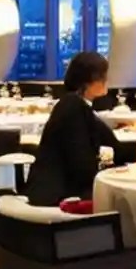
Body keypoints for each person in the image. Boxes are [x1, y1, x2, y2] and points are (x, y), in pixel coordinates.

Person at [22, 51, 119, 206]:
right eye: (103, 76)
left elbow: (115, 145)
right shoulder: (72, 108)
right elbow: (82, 167)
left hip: (62, 192)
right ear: (90, 80)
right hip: (58, 199)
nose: (107, 80)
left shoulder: (77, 106)